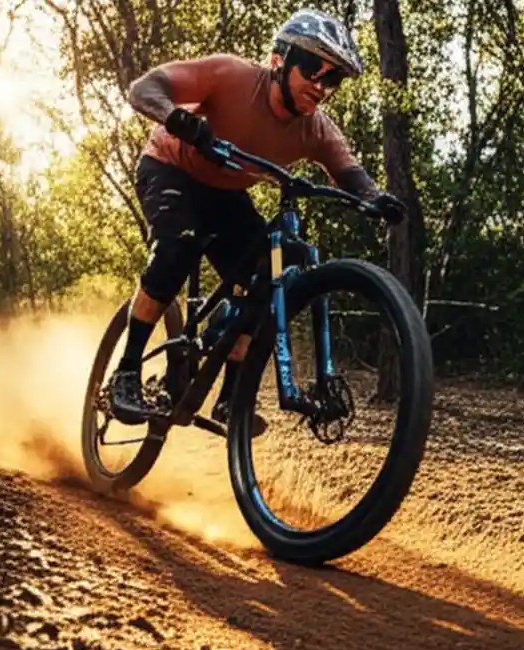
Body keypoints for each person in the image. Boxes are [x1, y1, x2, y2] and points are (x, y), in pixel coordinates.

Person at [111, 8, 406, 431]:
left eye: (333, 78)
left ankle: (232, 401)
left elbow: (349, 173)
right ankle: (126, 372)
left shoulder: (316, 129)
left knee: (267, 279)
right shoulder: (230, 75)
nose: (321, 87)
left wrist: (376, 200)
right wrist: (180, 119)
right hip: (170, 167)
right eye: (312, 70)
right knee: (178, 246)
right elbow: (145, 88)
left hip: (226, 192)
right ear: (279, 61)